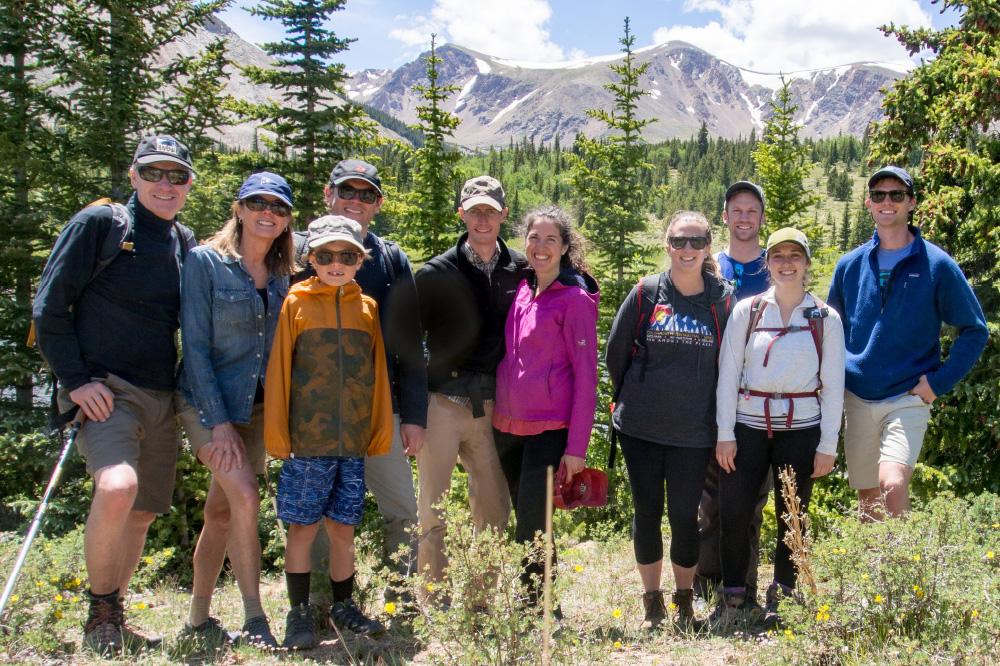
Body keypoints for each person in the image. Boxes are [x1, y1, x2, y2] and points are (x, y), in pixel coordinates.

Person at [32, 134, 197, 655]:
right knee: (119, 487)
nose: (165, 184)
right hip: (105, 389)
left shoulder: (183, 242)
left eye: (177, 175)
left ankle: (114, 618)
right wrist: (77, 382)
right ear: (133, 176)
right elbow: (48, 308)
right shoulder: (101, 225)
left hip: (160, 392)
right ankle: (100, 613)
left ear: (190, 183)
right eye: (153, 173)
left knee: (144, 509)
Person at [174, 172, 297, 649]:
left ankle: (197, 617)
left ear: (287, 221)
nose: (268, 213)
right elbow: (196, 348)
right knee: (245, 493)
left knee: (221, 510)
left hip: (259, 408)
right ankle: (254, 618)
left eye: (279, 207)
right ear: (239, 209)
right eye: (257, 203)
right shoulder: (205, 262)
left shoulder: (285, 273)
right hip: (206, 403)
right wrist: (218, 423)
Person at [295, 159, 427, 598]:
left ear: (378, 204)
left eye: (366, 194)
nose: (355, 201)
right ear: (328, 195)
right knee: (308, 510)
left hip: (379, 407)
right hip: (312, 410)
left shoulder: (390, 260)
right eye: (346, 191)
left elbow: (409, 341)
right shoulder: (297, 255)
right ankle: (313, 600)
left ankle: (400, 599)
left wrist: (414, 415)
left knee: (402, 510)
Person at [827, 166, 987, 520]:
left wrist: (937, 383)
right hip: (857, 398)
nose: (888, 202)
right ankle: (874, 574)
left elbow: (975, 330)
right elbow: (829, 333)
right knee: (868, 496)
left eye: (897, 195)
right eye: (879, 195)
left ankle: (903, 568)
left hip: (908, 397)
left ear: (911, 203)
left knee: (893, 483)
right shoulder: (849, 266)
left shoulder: (937, 265)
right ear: (868, 203)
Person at [264, 216, 394, 649]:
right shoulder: (295, 303)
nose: (335, 264)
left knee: (343, 527)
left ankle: (343, 606)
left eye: (346, 256)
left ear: (360, 260)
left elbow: (377, 374)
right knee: (301, 528)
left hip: (352, 442)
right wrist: (279, 436)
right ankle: (298, 613)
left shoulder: (368, 308)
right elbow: (280, 370)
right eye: (324, 255)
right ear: (310, 258)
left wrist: (378, 431)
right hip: (307, 442)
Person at [606, 211, 735, 631]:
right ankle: (651, 603)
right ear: (667, 245)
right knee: (646, 512)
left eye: (696, 242)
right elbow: (615, 353)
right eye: (679, 241)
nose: (687, 250)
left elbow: (732, 368)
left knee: (683, 515)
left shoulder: (722, 301)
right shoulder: (646, 293)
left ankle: (683, 602)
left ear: (708, 247)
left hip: (694, 433)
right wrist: (636, 398)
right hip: (640, 428)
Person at [714, 227, 845, 628]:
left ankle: (783, 596)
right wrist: (724, 432)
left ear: (807, 263)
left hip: (802, 430)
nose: (786, 263)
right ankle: (734, 595)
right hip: (748, 427)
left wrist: (828, 444)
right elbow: (728, 373)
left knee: (793, 513)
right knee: (734, 510)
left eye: (795, 256)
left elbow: (834, 386)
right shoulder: (748, 310)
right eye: (778, 256)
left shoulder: (825, 318)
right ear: (767, 263)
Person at [414, 175, 529, 601]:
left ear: (503, 215)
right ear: (461, 214)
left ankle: (482, 598)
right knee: (433, 507)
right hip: (441, 401)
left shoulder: (519, 269)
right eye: (475, 211)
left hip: (492, 405)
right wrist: (410, 411)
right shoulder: (436, 273)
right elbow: (407, 342)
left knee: (494, 506)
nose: (483, 219)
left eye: (491, 211)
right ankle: (433, 597)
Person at [493, 206, 599, 609]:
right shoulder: (523, 288)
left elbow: (587, 378)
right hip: (507, 426)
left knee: (534, 524)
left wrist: (576, 447)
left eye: (550, 239)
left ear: (565, 247)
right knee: (528, 521)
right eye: (534, 238)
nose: (540, 247)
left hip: (550, 429)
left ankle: (534, 608)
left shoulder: (574, 300)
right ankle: (540, 601)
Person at [695, 180, 771, 609]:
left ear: (761, 219)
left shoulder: (774, 266)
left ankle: (744, 588)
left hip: (758, 405)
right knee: (709, 501)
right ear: (725, 217)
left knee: (750, 502)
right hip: (709, 401)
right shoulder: (707, 267)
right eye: (736, 210)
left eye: (752, 210)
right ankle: (707, 587)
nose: (744, 217)